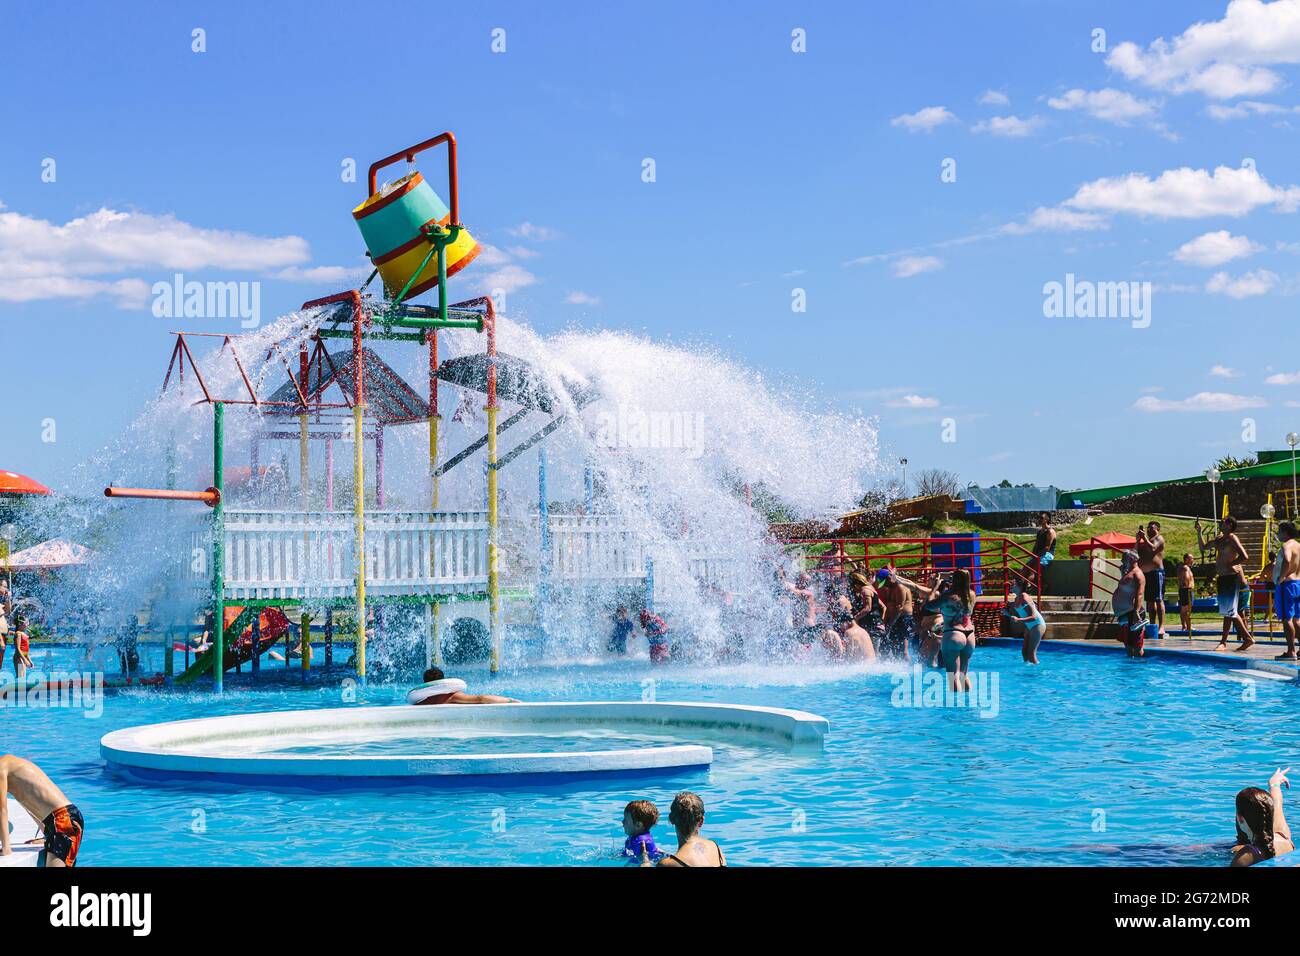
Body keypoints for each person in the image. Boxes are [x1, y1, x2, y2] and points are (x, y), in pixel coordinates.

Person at [0, 755, 84, 867]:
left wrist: (6, 849)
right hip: (63, 819)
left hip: (63, 820)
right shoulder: (10, 764)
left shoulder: (2, 767)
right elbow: (31, 803)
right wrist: (47, 834)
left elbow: (2, 809)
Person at [922, 569, 977, 691]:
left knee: (953, 676)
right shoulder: (972, 595)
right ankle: (968, 704)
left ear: (954, 580)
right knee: (963, 675)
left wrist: (935, 587)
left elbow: (929, 605)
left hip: (953, 633)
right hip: (970, 635)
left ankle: (955, 707)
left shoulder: (948, 596)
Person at [643, 791, 726, 867]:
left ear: (671, 819)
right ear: (701, 821)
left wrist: (645, 863)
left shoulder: (668, 864)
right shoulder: (716, 848)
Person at [1231, 768, 1293, 867]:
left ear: (1240, 818)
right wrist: (1274, 784)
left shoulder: (1246, 855)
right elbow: (1277, 804)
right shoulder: (1284, 837)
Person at [1211, 516, 1254, 652]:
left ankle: (1247, 638)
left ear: (1229, 525)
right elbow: (1204, 546)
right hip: (1224, 578)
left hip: (1233, 579)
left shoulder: (1233, 538)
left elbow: (1244, 556)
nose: (1220, 523)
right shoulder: (1221, 539)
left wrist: (1232, 564)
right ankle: (1225, 642)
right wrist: (1199, 532)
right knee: (1228, 612)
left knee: (1231, 612)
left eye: (1223, 521)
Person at [410, 667, 519, 705]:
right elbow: (482, 699)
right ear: (443, 682)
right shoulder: (451, 696)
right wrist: (510, 700)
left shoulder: (419, 701)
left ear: (425, 683)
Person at [1272, 521, 1300, 661]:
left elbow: (1287, 560)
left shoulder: (1286, 545)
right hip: (1298, 583)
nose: (1278, 534)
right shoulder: (1298, 546)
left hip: (1287, 585)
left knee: (1286, 618)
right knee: (1297, 619)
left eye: (1279, 531)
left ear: (1286, 532)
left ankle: (1291, 651)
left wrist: (1281, 578)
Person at [1111, 550, 1147, 658]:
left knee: (1136, 646)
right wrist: (1123, 573)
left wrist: (1136, 612)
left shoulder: (1138, 574)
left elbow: (1139, 594)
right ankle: (1129, 669)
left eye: (1124, 558)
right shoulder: (1128, 572)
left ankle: (1138, 669)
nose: (1122, 560)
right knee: (1128, 645)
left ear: (1131, 559)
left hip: (1133, 613)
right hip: (1125, 614)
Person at [875, 568, 915, 660]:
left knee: (904, 651)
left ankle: (908, 670)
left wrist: (889, 624)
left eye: (884, 583)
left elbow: (899, 608)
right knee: (894, 649)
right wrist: (886, 622)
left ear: (889, 579)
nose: (884, 586)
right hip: (895, 619)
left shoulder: (900, 587)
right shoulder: (890, 587)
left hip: (904, 619)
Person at [1003, 579, 1046, 664]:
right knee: (1024, 653)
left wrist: (1018, 620)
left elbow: (1034, 616)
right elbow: (1022, 615)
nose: (1011, 586)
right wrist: (1007, 613)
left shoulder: (1024, 596)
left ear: (1020, 586)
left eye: (1013, 584)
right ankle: (1027, 671)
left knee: (1031, 654)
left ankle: (1037, 673)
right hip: (1029, 626)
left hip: (1037, 625)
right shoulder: (1016, 599)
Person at [1136, 520, 1167, 637]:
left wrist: (1144, 537)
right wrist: (1138, 540)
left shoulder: (1159, 538)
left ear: (1158, 529)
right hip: (1146, 574)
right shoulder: (1145, 541)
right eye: (1148, 528)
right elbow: (1135, 552)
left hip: (1157, 573)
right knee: (1150, 601)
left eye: (1152, 528)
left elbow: (1153, 549)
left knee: (1159, 600)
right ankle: (1152, 625)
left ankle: (1161, 626)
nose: (1149, 530)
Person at [1031, 512, 1057, 592]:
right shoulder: (1039, 532)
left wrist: (1037, 556)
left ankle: (1028, 587)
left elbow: (1047, 548)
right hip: (1038, 554)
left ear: (1047, 519)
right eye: (1039, 518)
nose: (1039, 519)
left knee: (1033, 569)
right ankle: (1041, 585)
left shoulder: (1050, 531)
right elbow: (1037, 545)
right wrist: (1033, 554)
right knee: (1027, 567)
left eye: (1041, 518)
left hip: (1048, 554)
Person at [1177, 553, 1196, 638]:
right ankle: (1188, 626)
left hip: (1184, 590)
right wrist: (1187, 586)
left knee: (1184, 608)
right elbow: (1185, 578)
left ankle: (1184, 626)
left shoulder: (1184, 567)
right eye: (1191, 558)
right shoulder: (1185, 568)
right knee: (1187, 608)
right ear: (1186, 559)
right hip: (1187, 590)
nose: (1193, 560)